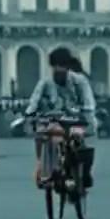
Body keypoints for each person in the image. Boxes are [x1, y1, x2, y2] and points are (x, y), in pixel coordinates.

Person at [24, 47, 97, 189]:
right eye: (56, 66)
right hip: (54, 121)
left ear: (68, 67)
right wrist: (30, 115)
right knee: (42, 136)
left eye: (62, 65)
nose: (59, 69)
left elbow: (89, 104)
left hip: (76, 121)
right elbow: (34, 102)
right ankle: (44, 168)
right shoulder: (45, 83)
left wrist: (86, 115)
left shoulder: (80, 81)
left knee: (82, 143)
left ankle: (84, 171)